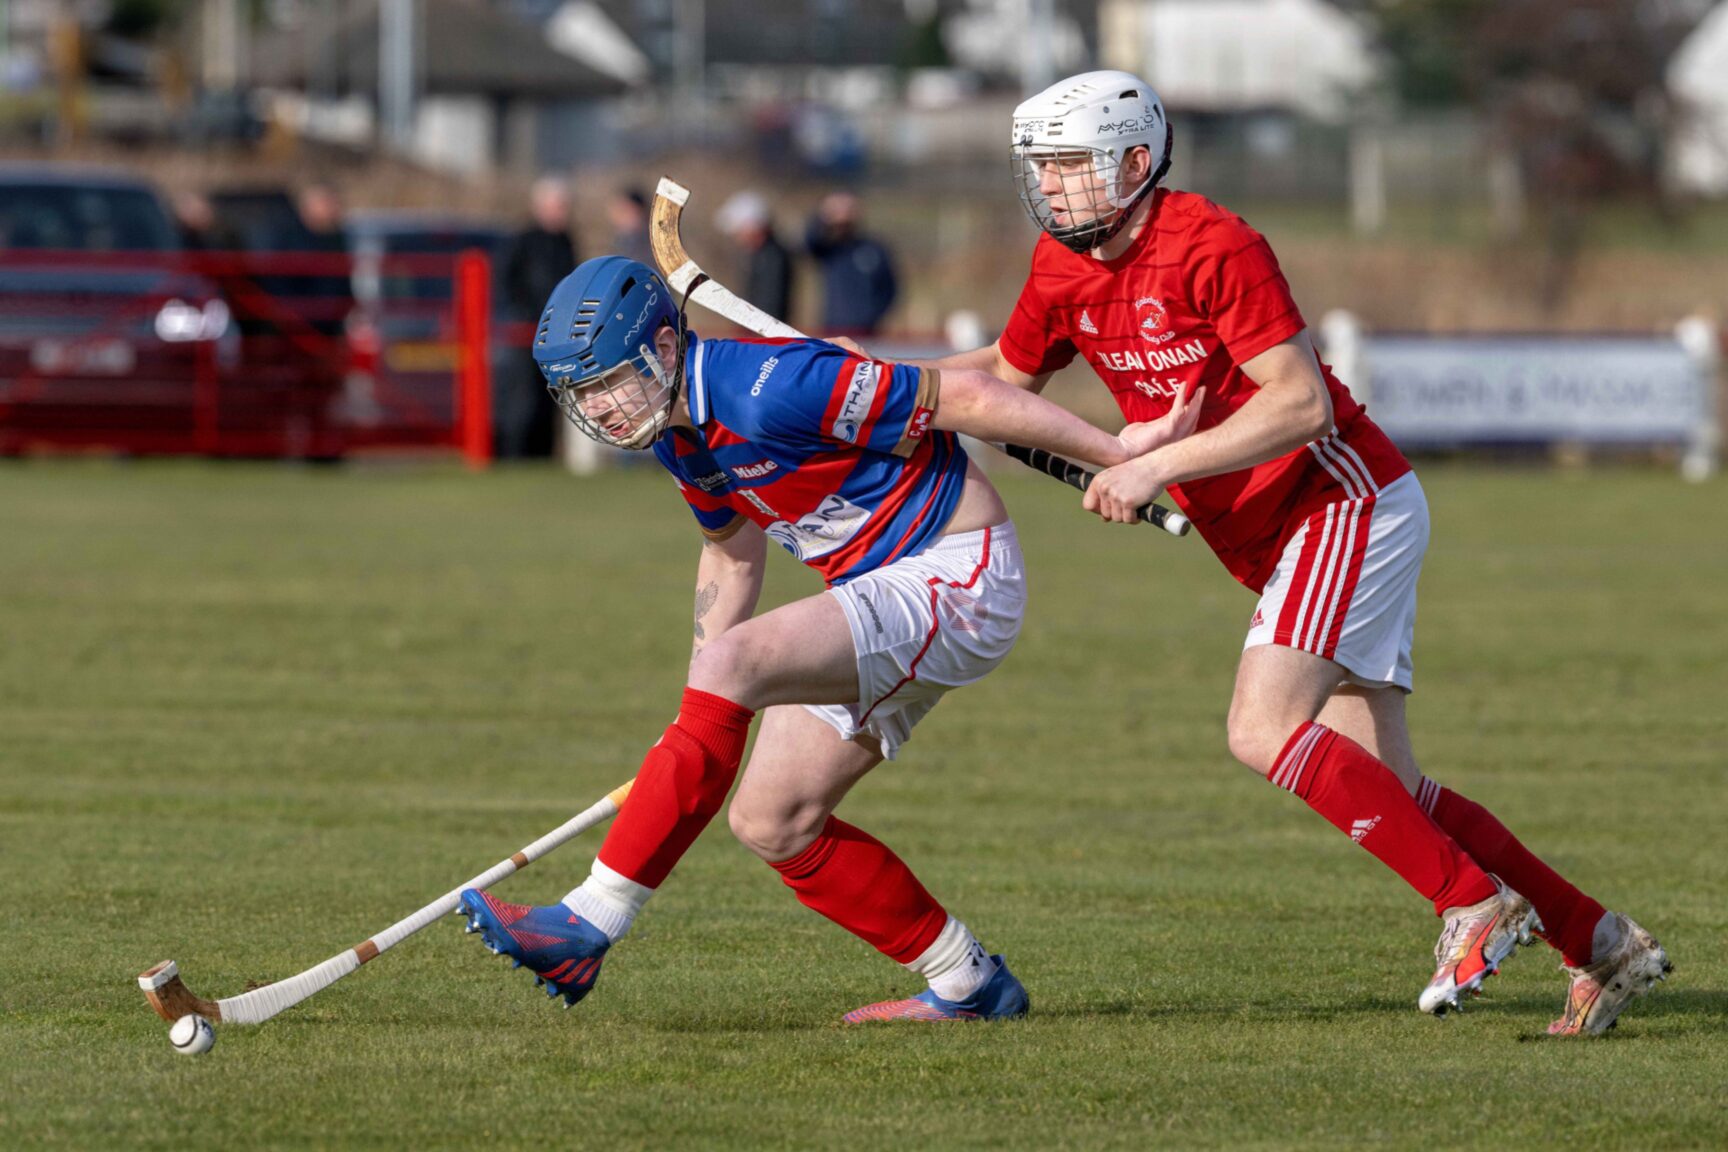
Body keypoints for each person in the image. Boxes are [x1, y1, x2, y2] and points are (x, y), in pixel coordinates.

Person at [919, 70, 1670, 1034]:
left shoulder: (1212, 243)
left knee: (1260, 726)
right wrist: (866, 382)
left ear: (1136, 163)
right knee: (1392, 789)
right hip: (1277, 539)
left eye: (1071, 165)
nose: (1051, 185)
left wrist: (1154, 466)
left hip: (1344, 503)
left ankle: (1473, 904)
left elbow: (1302, 402)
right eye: (1043, 168)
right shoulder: (1062, 266)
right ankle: (1600, 942)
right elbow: (1002, 377)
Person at [458, 256, 1197, 1021]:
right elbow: (731, 553)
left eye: (610, 381)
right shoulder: (679, 437)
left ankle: (589, 921)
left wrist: (1121, 454)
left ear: (666, 349)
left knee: (735, 663)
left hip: (957, 575)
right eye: (583, 393)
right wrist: (693, 716)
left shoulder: (772, 385)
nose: (601, 409)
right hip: (878, 592)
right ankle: (969, 984)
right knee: (772, 819)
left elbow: (973, 398)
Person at [498, 176, 580, 458]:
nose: (562, 213)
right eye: (558, 206)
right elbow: (507, 283)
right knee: (523, 400)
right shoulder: (523, 240)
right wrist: (523, 314)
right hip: (525, 335)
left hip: (555, 334)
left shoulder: (566, 241)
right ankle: (517, 455)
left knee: (551, 395)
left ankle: (544, 454)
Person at [805, 191, 898, 336]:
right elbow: (810, 241)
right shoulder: (830, 249)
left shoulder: (873, 249)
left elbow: (889, 288)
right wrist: (824, 216)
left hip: (867, 331)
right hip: (832, 329)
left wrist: (872, 316)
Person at [716, 189, 795, 322]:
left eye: (739, 230)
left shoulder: (772, 258)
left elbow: (770, 307)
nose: (737, 237)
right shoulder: (758, 256)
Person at [606, 187, 655, 268]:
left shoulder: (654, 245)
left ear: (640, 211)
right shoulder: (620, 244)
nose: (618, 217)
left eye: (623, 211)